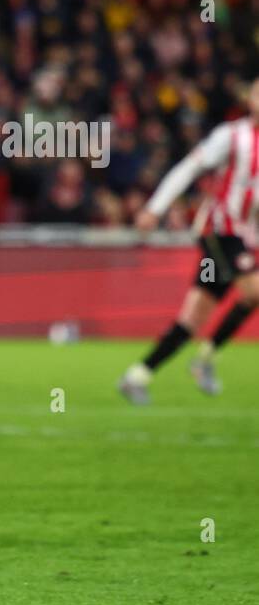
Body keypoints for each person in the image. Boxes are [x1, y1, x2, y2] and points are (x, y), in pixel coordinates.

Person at [120, 78, 259, 403]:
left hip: (247, 239)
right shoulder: (232, 136)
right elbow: (188, 169)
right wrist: (155, 208)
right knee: (254, 290)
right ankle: (205, 358)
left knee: (194, 317)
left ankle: (138, 375)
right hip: (221, 232)